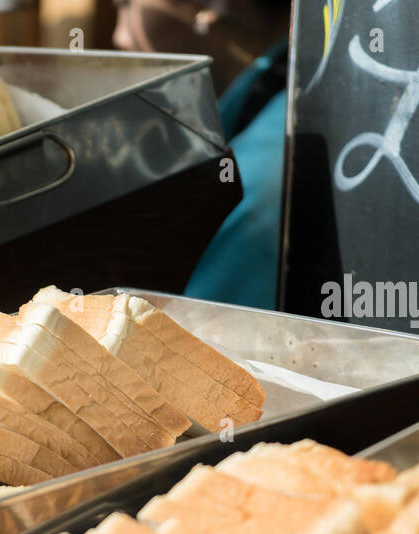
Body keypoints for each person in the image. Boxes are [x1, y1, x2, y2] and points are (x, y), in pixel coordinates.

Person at [113, 0, 291, 309]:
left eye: (125, 3)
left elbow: (194, 344)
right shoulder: (275, 115)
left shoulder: (243, 188)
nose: (121, 36)